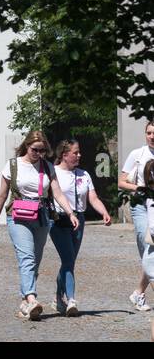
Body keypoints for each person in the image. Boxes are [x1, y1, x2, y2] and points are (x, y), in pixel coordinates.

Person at [0, 130, 80, 320]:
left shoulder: (47, 167)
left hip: (41, 216)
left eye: (42, 151)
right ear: (27, 146)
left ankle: (24, 302)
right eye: (35, 150)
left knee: (35, 262)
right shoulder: (12, 165)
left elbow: (57, 193)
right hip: (17, 216)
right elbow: (1, 194)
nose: (39, 154)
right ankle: (32, 298)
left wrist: (71, 213)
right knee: (27, 258)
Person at [49, 138, 112, 316]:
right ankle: (71, 300)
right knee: (68, 260)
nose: (79, 155)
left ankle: (57, 296)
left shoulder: (84, 174)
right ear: (64, 154)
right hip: (59, 220)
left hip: (79, 220)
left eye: (79, 152)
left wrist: (104, 212)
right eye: (75, 152)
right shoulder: (53, 173)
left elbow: (93, 198)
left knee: (69, 261)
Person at [118, 120, 154, 312]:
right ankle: (139, 293)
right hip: (140, 205)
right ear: (145, 134)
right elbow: (121, 182)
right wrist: (138, 188)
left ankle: (138, 292)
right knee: (148, 245)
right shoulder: (137, 154)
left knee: (152, 252)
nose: (152, 136)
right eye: (149, 133)